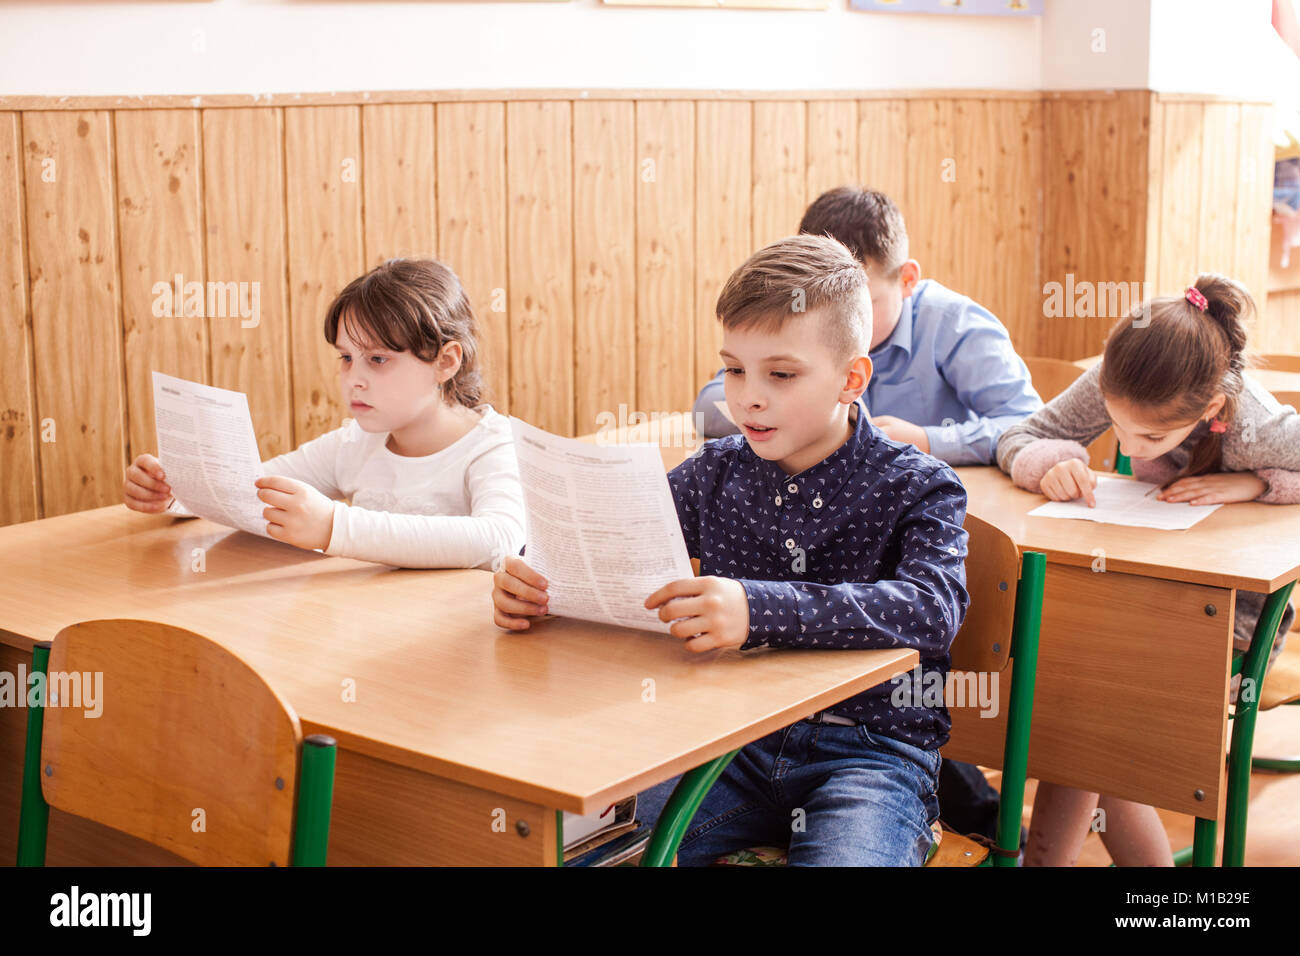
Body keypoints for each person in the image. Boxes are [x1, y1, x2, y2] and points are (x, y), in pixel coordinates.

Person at [493, 235, 970, 865]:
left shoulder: (919, 484)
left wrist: (757, 609)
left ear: (851, 378)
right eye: (734, 368)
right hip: (721, 747)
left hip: (872, 756)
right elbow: (611, 539)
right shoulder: (714, 472)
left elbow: (931, 610)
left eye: (780, 374)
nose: (747, 396)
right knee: (579, 852)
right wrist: (533, 573)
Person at [997, 274, 1300, 866]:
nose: (1131, 450)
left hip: (1226, 619)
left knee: (1088, 724)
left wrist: (1256, 482)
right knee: (1083, 720)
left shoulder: (1258, 423)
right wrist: (1049, 464)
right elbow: (1021, 434)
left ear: (1211, 409)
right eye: (1118, 426)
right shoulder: (1118, 379)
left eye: (1154, 435)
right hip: (1131, 590)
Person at [124, 258, 525, 570]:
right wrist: (177, 491)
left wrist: (334, 527)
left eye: (378, 359)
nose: (354, 379)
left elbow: (497, 537)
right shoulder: (356, 442)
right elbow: (249, 488)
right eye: (347, 358)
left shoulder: (492, 447)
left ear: (445, 361)